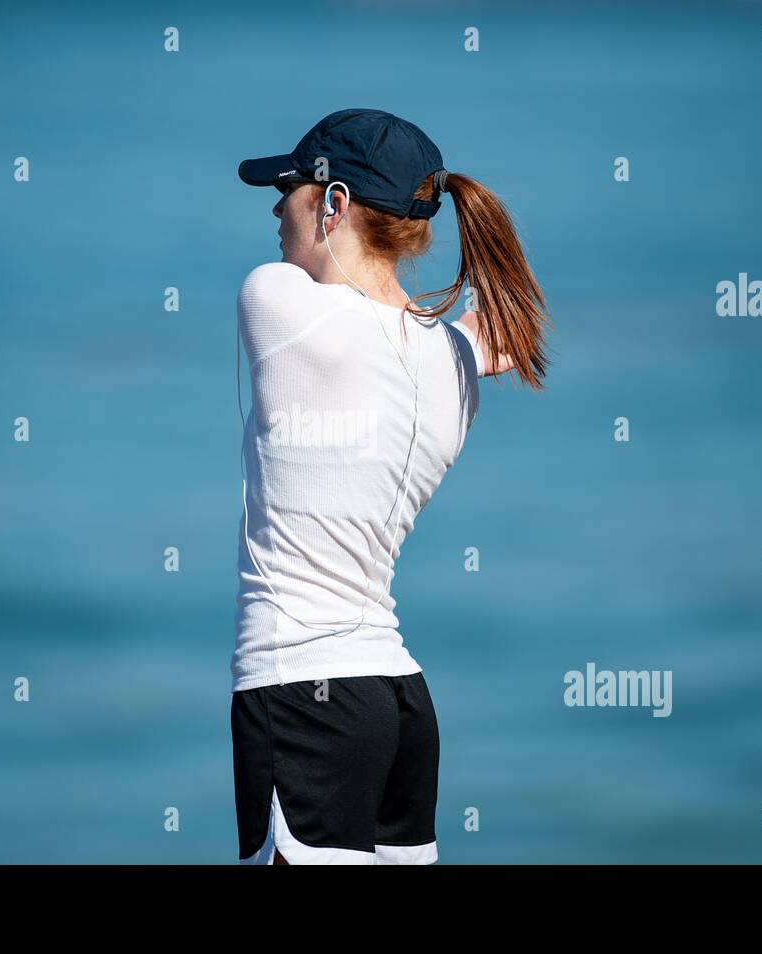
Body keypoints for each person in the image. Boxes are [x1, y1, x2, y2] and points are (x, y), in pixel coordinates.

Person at [230, 108, 549, 864]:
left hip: (305, 690)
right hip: (398, 701)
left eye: (292, 191)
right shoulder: (455, 365)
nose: (278, 208)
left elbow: (361, 325)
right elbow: (476, 336)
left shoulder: (277, 300)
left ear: (334, 203)